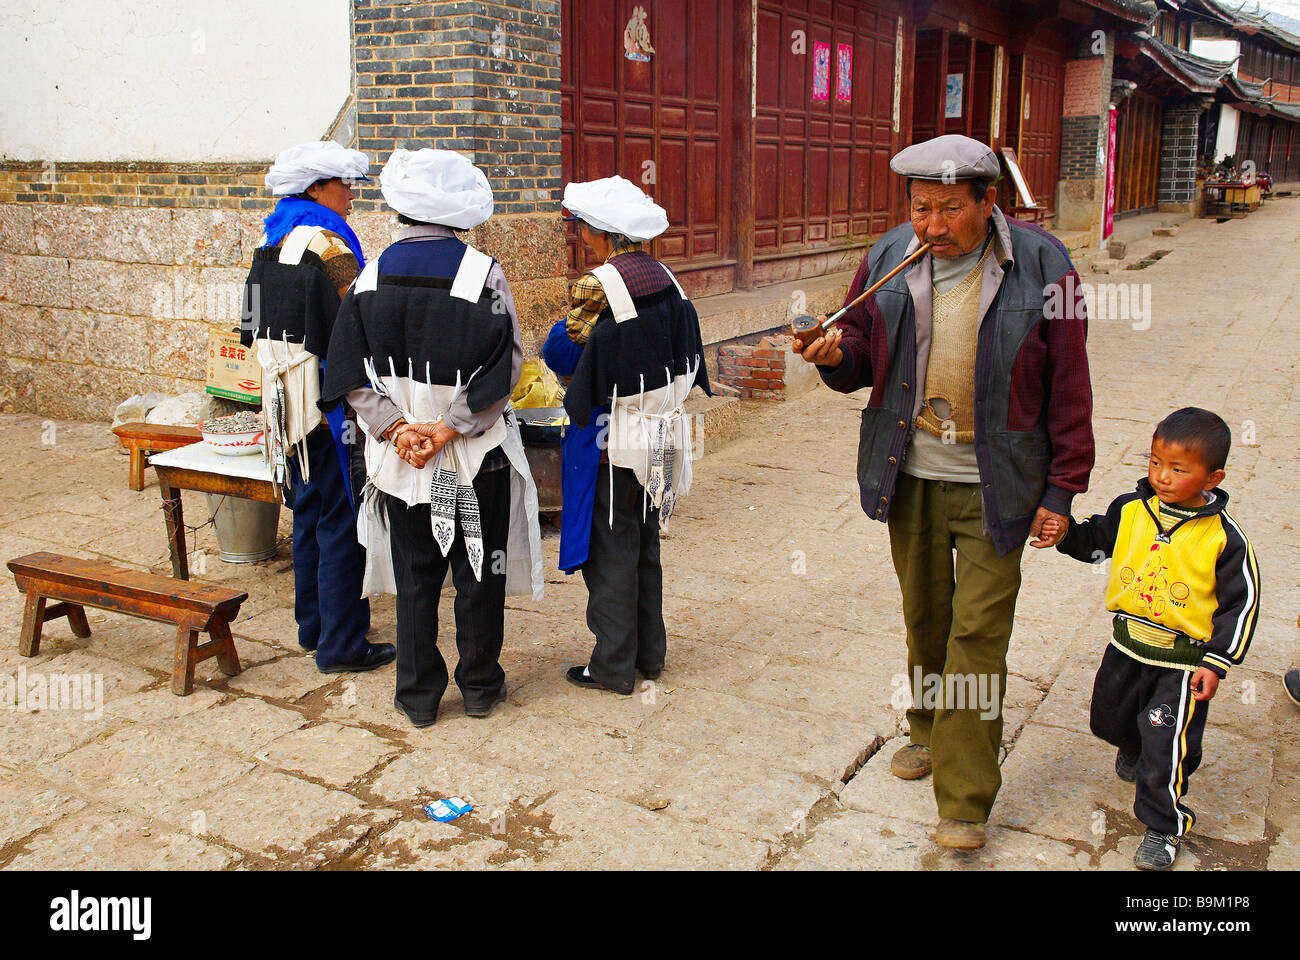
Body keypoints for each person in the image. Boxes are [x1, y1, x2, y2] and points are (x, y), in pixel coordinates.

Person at [792, 134, 1095, 850]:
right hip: (912, 472)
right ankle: (927, 728)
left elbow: (1071, 385)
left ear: (990, 202)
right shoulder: (890, 255)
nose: (932, 226)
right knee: (926, 618)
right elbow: (861, 351)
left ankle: (963, 799)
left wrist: (1063, 488)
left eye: (950, 209)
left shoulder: (1048, 265)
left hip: (1000, 482)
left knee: (978, 639)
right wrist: (835, 356)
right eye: (921, 208)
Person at [320, 148, 543, 727]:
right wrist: (448, 428)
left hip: (404, 461)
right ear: (460, 212)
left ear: (402, 209)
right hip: (475, 458)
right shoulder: (482, 274)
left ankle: (417, 697)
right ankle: (479, 687)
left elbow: (343, 368)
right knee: (480, 574)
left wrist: (397, 428)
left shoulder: (371, 275)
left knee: (415, 580)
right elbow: (506, 368)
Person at [1051, 408, 1259, 869]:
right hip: (1126, 646)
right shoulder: (1131, 509)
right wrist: (1066, 533)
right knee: (1108, 719)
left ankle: (1164, 825)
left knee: (1165, 747)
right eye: (1155, 463)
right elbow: (1097, 543)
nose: (1162, 477)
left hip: (1183, 662)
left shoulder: (1224, 538)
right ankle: (1136, 741)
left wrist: (1217, 661)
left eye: (1178, 469)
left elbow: (1240, 604)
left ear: (1213, 476)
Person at [541, 176, 710, 696]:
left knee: (610, 552)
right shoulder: (667, 278)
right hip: (661, 435)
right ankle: (649, 655)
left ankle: (612, 666)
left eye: (581, 227)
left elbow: (561, 354)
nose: (580, 235)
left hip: (615, 438)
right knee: (644, 546)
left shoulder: (602, 285)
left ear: (598, 232)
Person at [241, 140, 393, 674]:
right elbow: (361, 320)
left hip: (282, 399)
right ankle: (342, 645)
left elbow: (248, 326)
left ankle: (314, 626)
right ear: (316, 189)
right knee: (340, 517)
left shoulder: (270, 241)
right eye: (344, 185)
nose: (351, 195)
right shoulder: (327, 245)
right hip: (326, 400)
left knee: (305, 511)